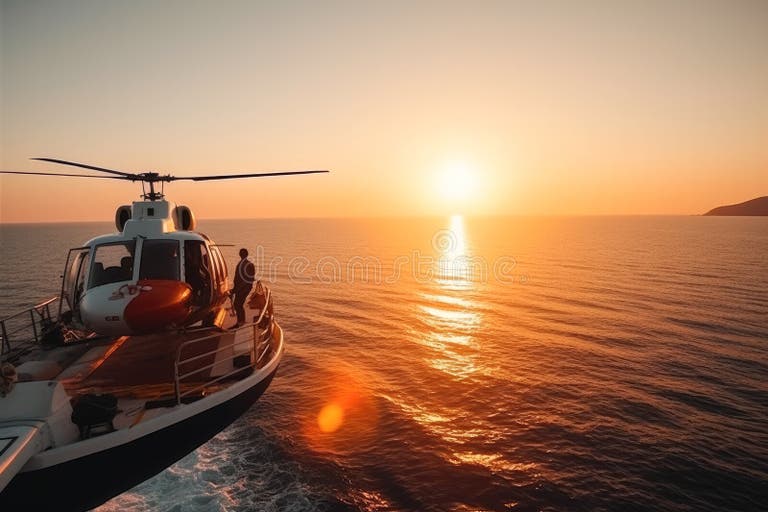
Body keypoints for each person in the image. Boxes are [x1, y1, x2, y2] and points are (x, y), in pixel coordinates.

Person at [231, 248, 255, 327]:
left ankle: (240, 322)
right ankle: (241, 321)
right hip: (244, 288)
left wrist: (236, 290)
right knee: (239, 304)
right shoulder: (246, 264)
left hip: (243, 288)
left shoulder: (245, 264)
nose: (241, 254)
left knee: (238, 304)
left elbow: (246, 279)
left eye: (242, 253)